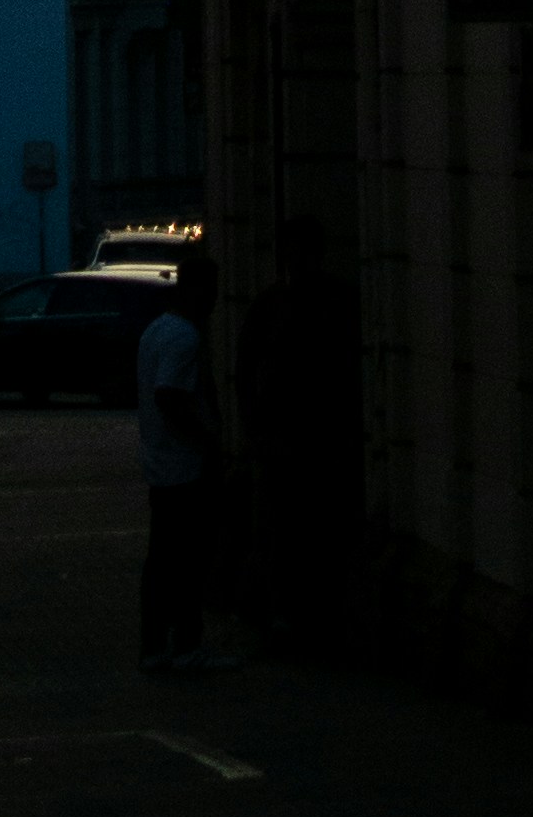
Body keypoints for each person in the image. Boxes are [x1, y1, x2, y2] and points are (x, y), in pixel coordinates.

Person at [236, 211, 366, 657]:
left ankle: (305, 617)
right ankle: (293, 617)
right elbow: (247, 371)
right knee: (291, 534)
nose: (296, 262)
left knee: (309, 534)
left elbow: (248, 370)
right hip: (293, 442)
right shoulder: (284, 305)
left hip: (316, 441)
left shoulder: (308, 304)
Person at [133, 258, 234, 672]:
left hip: (160, 463)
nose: (214, 299)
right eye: (210, 290)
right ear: (197, 290)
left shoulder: (155, 331)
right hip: (185, 467)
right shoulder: (185, 338)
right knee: (190, 559)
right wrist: (207, 439)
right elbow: (169, 396)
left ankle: (156, 646)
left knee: (162, 559)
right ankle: (187, 645)